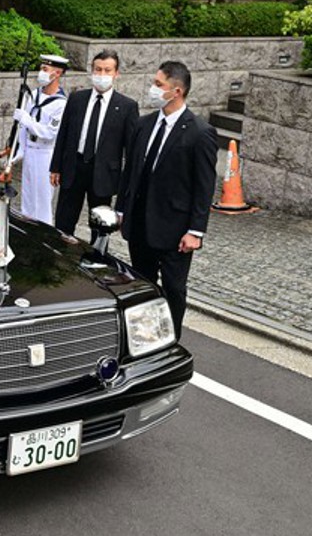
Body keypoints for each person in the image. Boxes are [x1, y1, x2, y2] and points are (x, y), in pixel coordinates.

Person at [116, 61, 217, 338]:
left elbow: (204, 185)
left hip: (175, 227)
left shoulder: (199, 132)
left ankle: (171, 338)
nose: (153, 89)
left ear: (177, 91)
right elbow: (132, 170)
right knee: (142, 282)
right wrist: (122, 208)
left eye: (159, 85)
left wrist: (195, 230)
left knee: (173, 287)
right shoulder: (144, 124)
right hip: (140, 222)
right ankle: (144, 335)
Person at [50, 50, 140, 236]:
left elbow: (130, 149)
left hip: (103, 173)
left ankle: (97, 257)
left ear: (116, 73)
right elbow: (64, 134)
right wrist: (56, 167)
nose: (102, 75)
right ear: (92, 70)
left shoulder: (126, 107)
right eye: (98, 69)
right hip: (74, 167)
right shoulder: (77, 99)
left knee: (100, 225)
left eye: (107, 70)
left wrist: (126, 183)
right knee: (64, 221)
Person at [9, 54, 69, 225]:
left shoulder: (61, 104)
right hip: (30, 150)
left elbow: (50, 133)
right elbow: (22, 127)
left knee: (42, 201)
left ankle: (45, 232)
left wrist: (27, 120)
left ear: (57, 73)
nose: (40, 73)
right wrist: (19, 150)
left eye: (45, 69)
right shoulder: (34, 94)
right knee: (28, 197)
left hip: (45, 154)